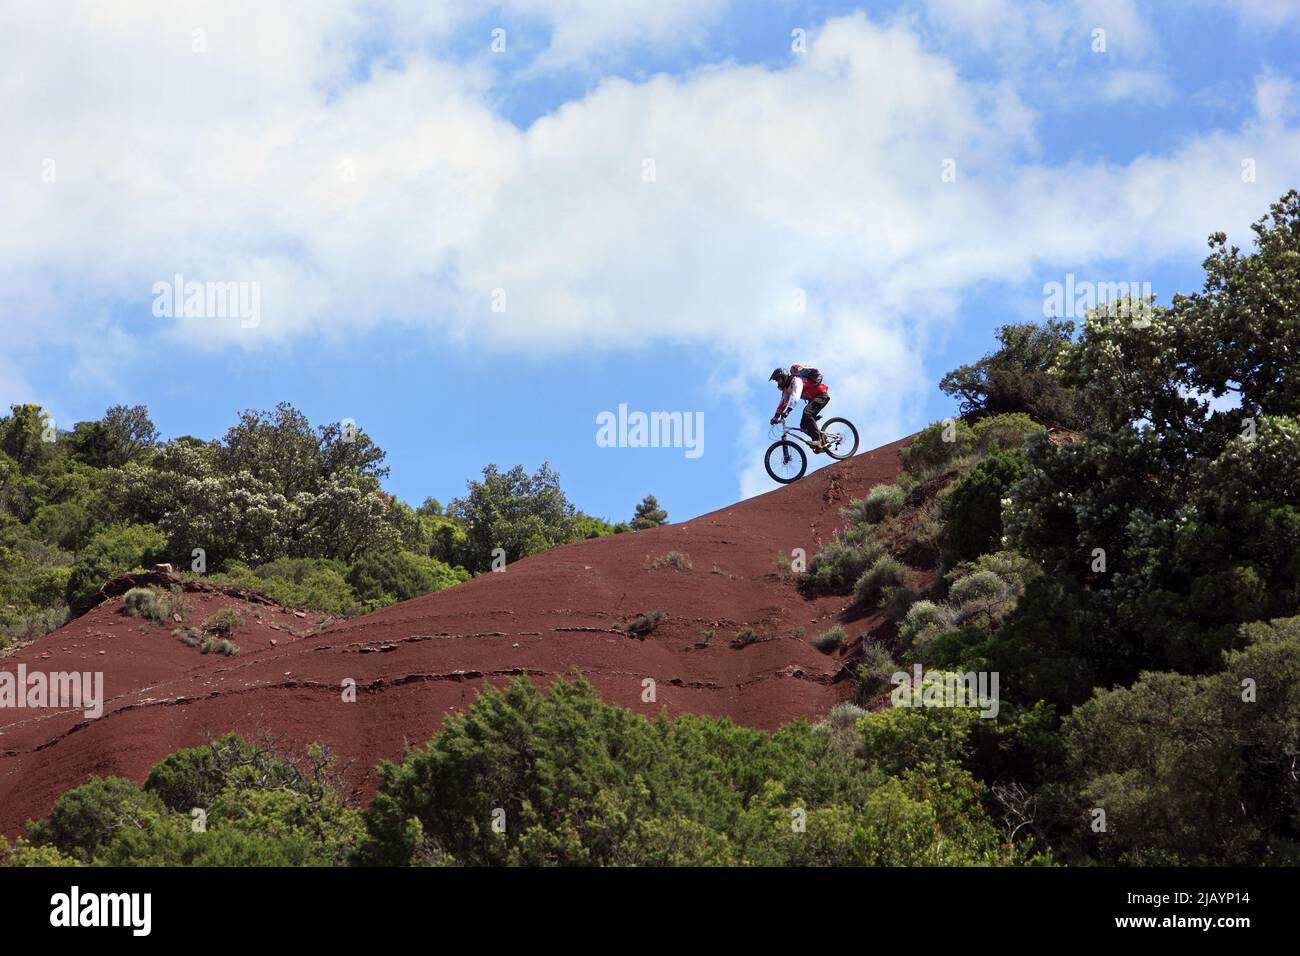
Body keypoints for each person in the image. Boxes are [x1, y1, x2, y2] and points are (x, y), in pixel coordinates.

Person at [769, 365, 830, 452]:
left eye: (778, 379)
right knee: (803, 426)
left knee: (807, 413)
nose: (777, 382)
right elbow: (782, 403)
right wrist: (776, 416)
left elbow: (795, 396)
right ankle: (822, 442)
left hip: (821, 396)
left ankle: (818, 441)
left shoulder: (796, 380)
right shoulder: (786, 389)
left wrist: (788, 410)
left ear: (783, 377)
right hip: (813, 399)